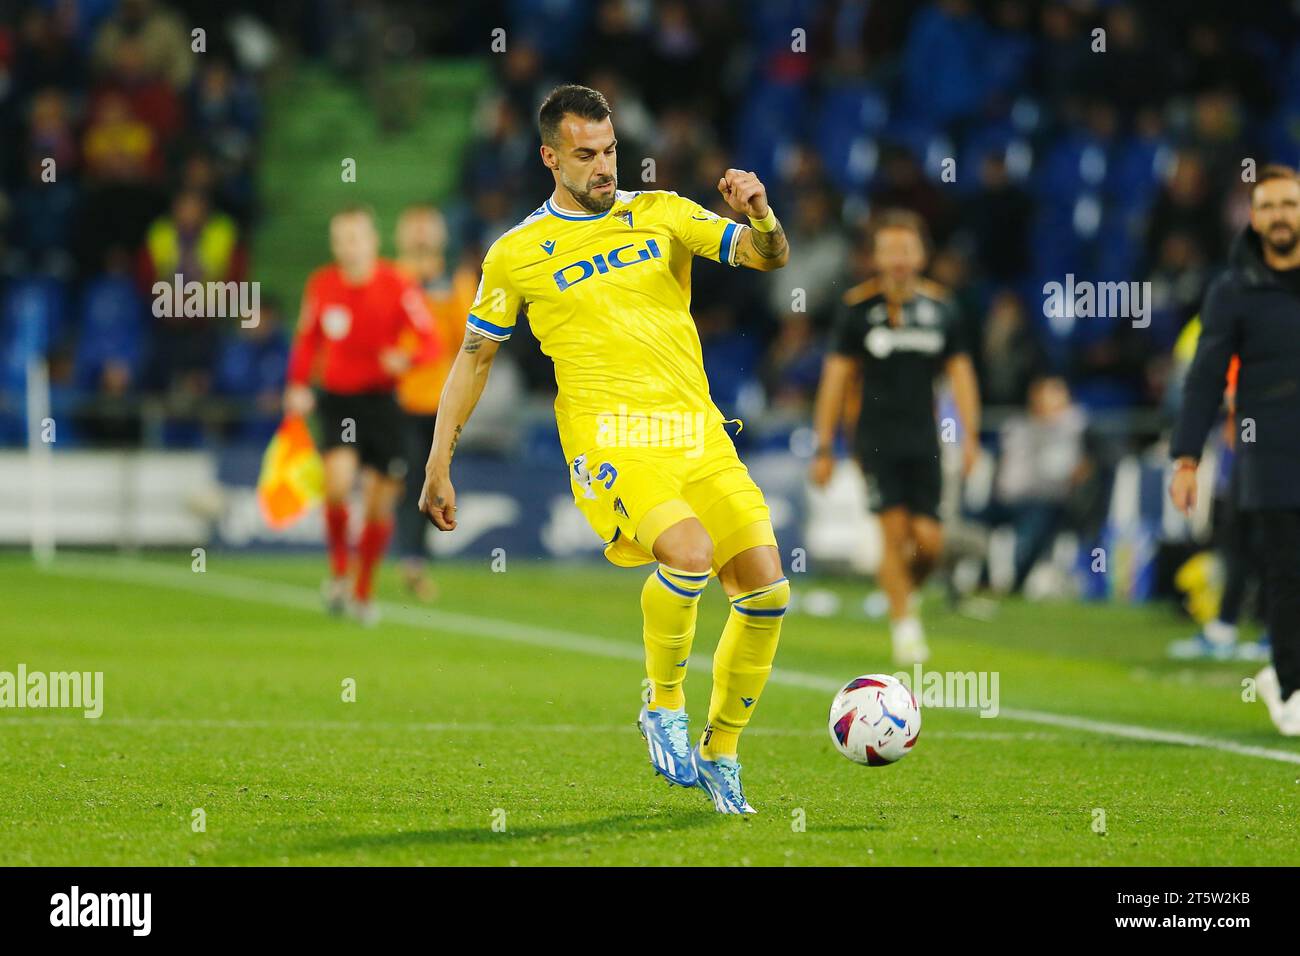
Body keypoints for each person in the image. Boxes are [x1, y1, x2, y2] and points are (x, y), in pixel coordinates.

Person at [418, 84, 790, 814]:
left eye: (611, 151)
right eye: (586, 155)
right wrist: (438, 462)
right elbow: (474, 356)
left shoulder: (662, 212)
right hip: (612, 442)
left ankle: (720, 751)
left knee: (767, 593)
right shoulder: (517, 252)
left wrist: (762, 215)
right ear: (551, 157)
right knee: (685, 553)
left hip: (698, 435)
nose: (603, 167)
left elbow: (764, 258)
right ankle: (663, 704)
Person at [810, 209, 980, 665]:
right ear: (876, 256)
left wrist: (971, 438)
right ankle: (905, 628)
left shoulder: (943, 309)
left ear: (922, 254)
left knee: (929, 542)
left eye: (907, 248)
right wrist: (824, 447)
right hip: (875, 440)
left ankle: (905, 594)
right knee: (893, 533)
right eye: (889, 249)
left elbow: (961, 375)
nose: (899, 258)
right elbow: (835, 381)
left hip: (924, 440)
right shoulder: (857, 310)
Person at [1170, 164, 1300, 735]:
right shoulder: (1233, 288)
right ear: (1253, 217)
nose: (1280, 216)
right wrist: (1186, 458)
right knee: (1286, 569)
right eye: (1269, 206)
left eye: (1290, 204)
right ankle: (1292, 685)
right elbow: (1204, 378)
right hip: (1267, 447)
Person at [283, 205, 438, 626]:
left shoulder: (397, 284)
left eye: (355, 237)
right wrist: (298, 386)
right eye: (341, 239)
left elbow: (430, 341)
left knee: (378, 505)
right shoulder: (323, 285)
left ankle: (363, 591)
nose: (347, 247)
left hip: (383, 405)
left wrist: (404, 359)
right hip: (338, 401)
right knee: (337, 485)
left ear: (372, 241)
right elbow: (306, 339)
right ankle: (338, 570)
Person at [393, 204, 474, 601]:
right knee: (405, 480)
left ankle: (414, 559)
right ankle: (407, 559)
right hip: (398, 399)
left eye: (429, 229)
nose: (423, 236)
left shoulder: (455, 280)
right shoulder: (392, 281)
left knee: (426, 482)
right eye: (416, 229)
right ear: (402, 237)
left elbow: (469, 340)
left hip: (442, 404)